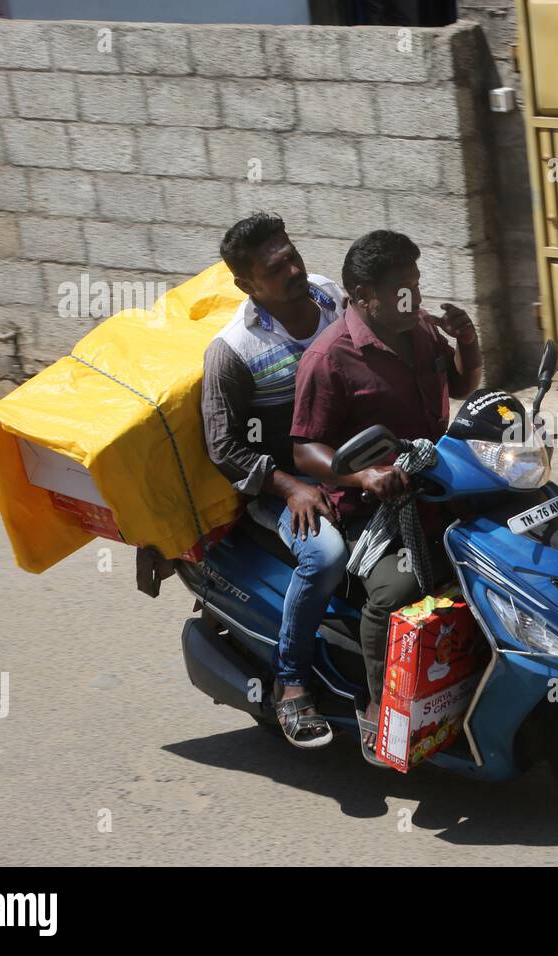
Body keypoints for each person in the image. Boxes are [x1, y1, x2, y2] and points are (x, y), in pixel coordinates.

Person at [290, 230, 483, 761]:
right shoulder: (330, 359)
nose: (414, 300)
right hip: (376, 512)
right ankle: (380, 710)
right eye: (401, 290)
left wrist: (467, 341)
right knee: (396, 593)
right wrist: (364, 478)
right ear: (360, 293)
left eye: (417, 286)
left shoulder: (420, 331)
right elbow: (306, 450)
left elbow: (464, 387)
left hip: (441, 487)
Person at [201, 212, 348, 750]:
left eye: (291, 254)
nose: (293, 268)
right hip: (283, 490)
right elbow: (223, 446)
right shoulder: (233, 351)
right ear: (247, 284)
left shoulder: (332, 298)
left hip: (348, 462)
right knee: (326, 554)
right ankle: (292, 682)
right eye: (275, 266)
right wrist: (290, 487)